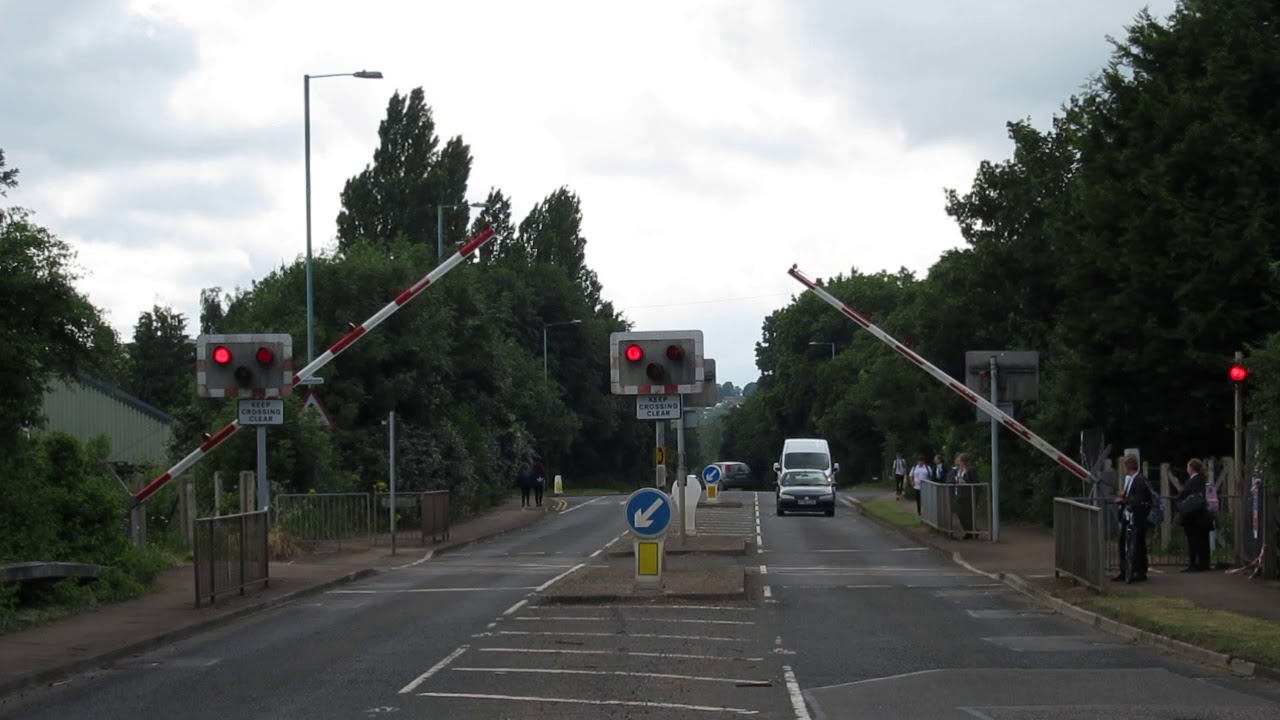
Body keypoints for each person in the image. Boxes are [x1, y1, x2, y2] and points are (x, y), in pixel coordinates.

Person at [1112, 454, 1151, 582]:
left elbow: (1138, 499)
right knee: (1127, 542)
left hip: (1136, 517)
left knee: (1137, 544)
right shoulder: (1134, 479)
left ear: (1128, 467)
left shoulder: (1138, 480)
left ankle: (1138, 571)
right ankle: (1127, 570)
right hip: (1130, 517)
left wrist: (1123, 500)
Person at [1176, 458, 1213, 572]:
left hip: (1193, 516)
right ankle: (1204, 563)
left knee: (1193, 540)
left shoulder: (1193, 481)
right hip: (1202, 515)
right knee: (1203, 540)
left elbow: (1183, 494)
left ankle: (1194, 564)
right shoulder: (1201, 480)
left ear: (1191, 468)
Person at [952, 453, 976, 538]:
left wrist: (966, 482)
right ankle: (969, 530)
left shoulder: (970, 470)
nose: (958, 463)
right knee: (960, 513)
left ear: (963, 461)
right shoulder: (960, 470)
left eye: (960, 461)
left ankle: (971, 532)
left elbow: (974, 481)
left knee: (967, 514)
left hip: (967, 495)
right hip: (959, 494)